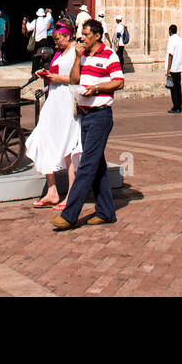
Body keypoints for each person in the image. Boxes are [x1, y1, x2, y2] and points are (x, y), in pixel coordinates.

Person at [52, 19, 124, 230]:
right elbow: (74, 80)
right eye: (81, 34)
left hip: (100, 116)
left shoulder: (109, 55)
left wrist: (98, 88)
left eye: (85, 34)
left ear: (97, 36)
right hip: (84, 114)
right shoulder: (82, 55)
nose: (82, 38)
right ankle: (106, 211)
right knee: (97, 165)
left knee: (87, 165)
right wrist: (76, 58)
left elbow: (119, 82)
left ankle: (70, 214)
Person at [26, 21, 82, 210]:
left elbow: (80, 77)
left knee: (68, 145)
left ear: (67, 36)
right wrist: (47, 76)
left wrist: (56, 78)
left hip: (68, 102)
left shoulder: (78, 51)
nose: (56, 42)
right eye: (55, 38)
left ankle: (72, 194)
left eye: (58, 38)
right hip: (54, 101)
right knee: (44, 139)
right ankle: (52, 191)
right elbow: (56, 73)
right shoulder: (60, 52)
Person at [25, 8, 52, 75]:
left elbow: (29, 28)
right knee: (45, 55)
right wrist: (47, 12)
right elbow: (49, 16)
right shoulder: (46, 20)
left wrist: (27, 22)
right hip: (44, 40)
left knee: (35, 56)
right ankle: (44, 69)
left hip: (37, 40)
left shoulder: (35, 21)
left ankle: (34, 70)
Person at [165, 23, 182, 112]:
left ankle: (175, 106)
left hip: (173, 67)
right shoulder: (181, 40)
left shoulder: (171, 40)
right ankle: (179, 105)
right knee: (178, 86)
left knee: (173, 88)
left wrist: (168, 69)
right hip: (179, 66)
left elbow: (170, 55)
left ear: (170, 31)